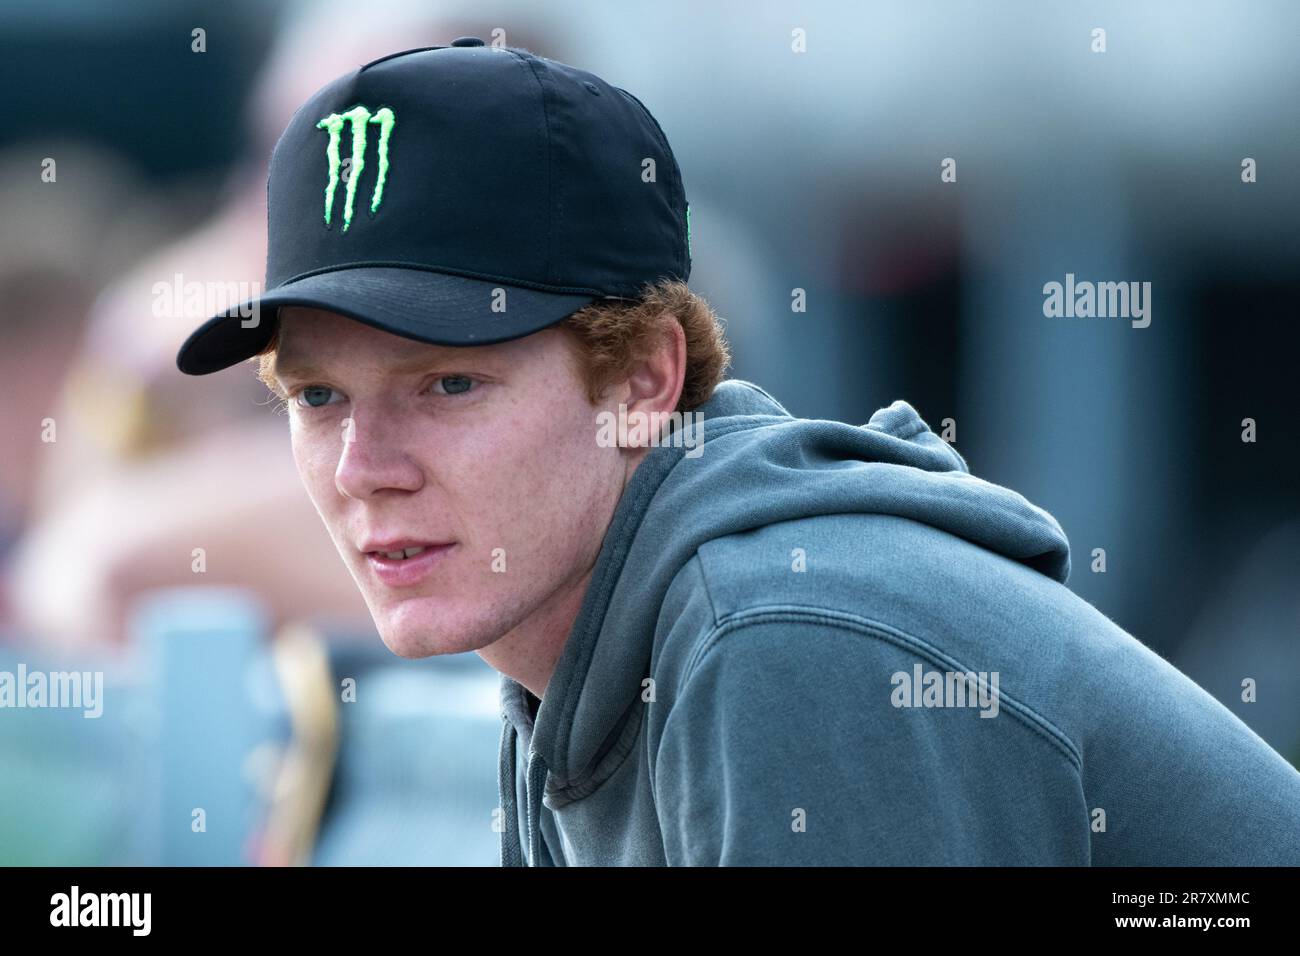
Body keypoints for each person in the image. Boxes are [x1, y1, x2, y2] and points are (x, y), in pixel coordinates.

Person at [176, 41, 1300, 866]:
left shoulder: (775, 635)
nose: (364, 462)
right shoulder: (572, 643)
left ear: (643, 379)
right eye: (317, 394)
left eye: (450, 382)